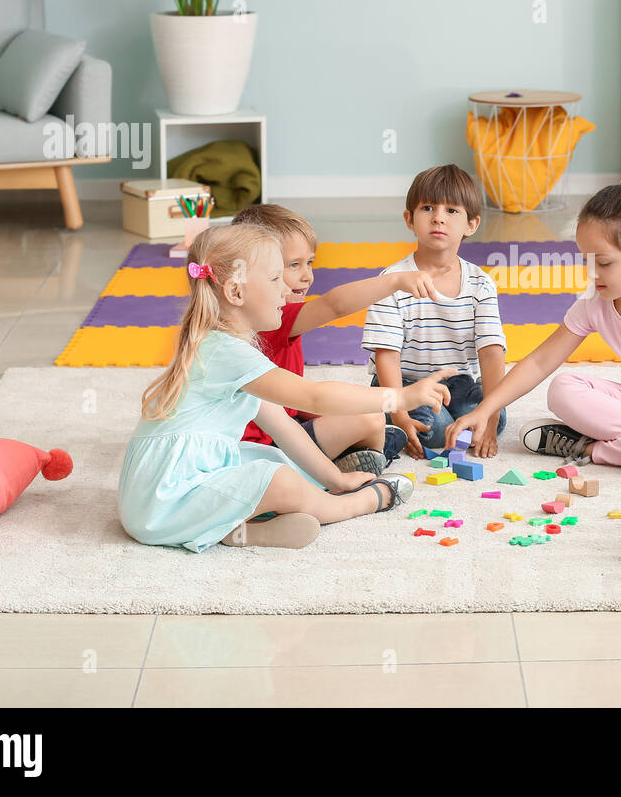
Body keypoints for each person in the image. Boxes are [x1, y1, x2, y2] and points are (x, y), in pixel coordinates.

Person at [118, 224, 453, 552]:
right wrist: (402, 396)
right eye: (276, 279)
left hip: (173, 493)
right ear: (236, 293)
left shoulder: (227, 349)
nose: (285, 289)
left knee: (273, 458)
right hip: (164, 505)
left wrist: (337, 479)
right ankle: (357, 504)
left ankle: (237, 530)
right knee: (278, 478)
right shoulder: (224, 352)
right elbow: (314, 396)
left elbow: (284, 428)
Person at [446, 176, 621, 477]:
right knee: (561, 389)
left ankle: (589, 449)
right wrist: (484, 409)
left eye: (604, 263)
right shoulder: (595, 301)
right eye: (587, 261)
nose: (593, 274)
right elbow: (540, 361)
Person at [231, 203, 437, 470]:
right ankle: (356, 456)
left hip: (278, 430)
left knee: (357, 407)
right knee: (370, 419)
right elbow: (334, 305)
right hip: (266, 450)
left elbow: (290, 402)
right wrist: (394, 282)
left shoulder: (251, 315)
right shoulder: (270, 322)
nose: (307, 276)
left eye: (309, 263)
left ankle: (360, 446)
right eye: (294, 265)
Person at [363, 164, 509, 458]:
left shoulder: (481, 284)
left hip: (458, 385)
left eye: (452, 211)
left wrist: (490, 419)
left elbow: (492, 353)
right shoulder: (392, 281)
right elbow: (386, 356)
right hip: (405, 384)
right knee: (434, 429)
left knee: (498, 413)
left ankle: (464, 419)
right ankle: (423, 420)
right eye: (428, 208)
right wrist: (401, 416)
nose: (439, 218)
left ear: (471, 224)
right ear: (410, 219)